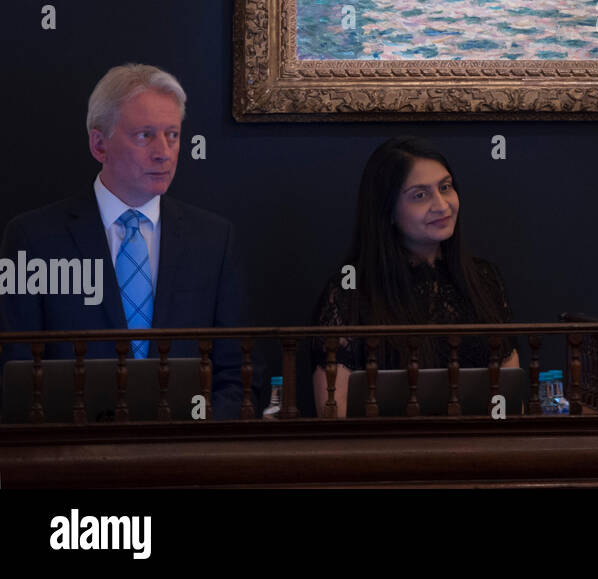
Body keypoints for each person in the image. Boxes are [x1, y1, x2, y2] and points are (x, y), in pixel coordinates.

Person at [0, 63, 253, 419]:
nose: (163, 152)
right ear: (99, 145)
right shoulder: (34, 239)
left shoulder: (214, 240)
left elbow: (237, 376)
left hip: (186, 456)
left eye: (173, 135)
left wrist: (197, 440)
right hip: (73, 457)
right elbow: (15, 373)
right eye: (144, 135)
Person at [312, 138, 520, 416]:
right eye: (420, 195)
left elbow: (510, 396)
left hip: (480, 450)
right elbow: (333, 412)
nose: (442, 205)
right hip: (386, 453)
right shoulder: (349, 291)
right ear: (388, 211)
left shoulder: (484, 278)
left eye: (445, 187)